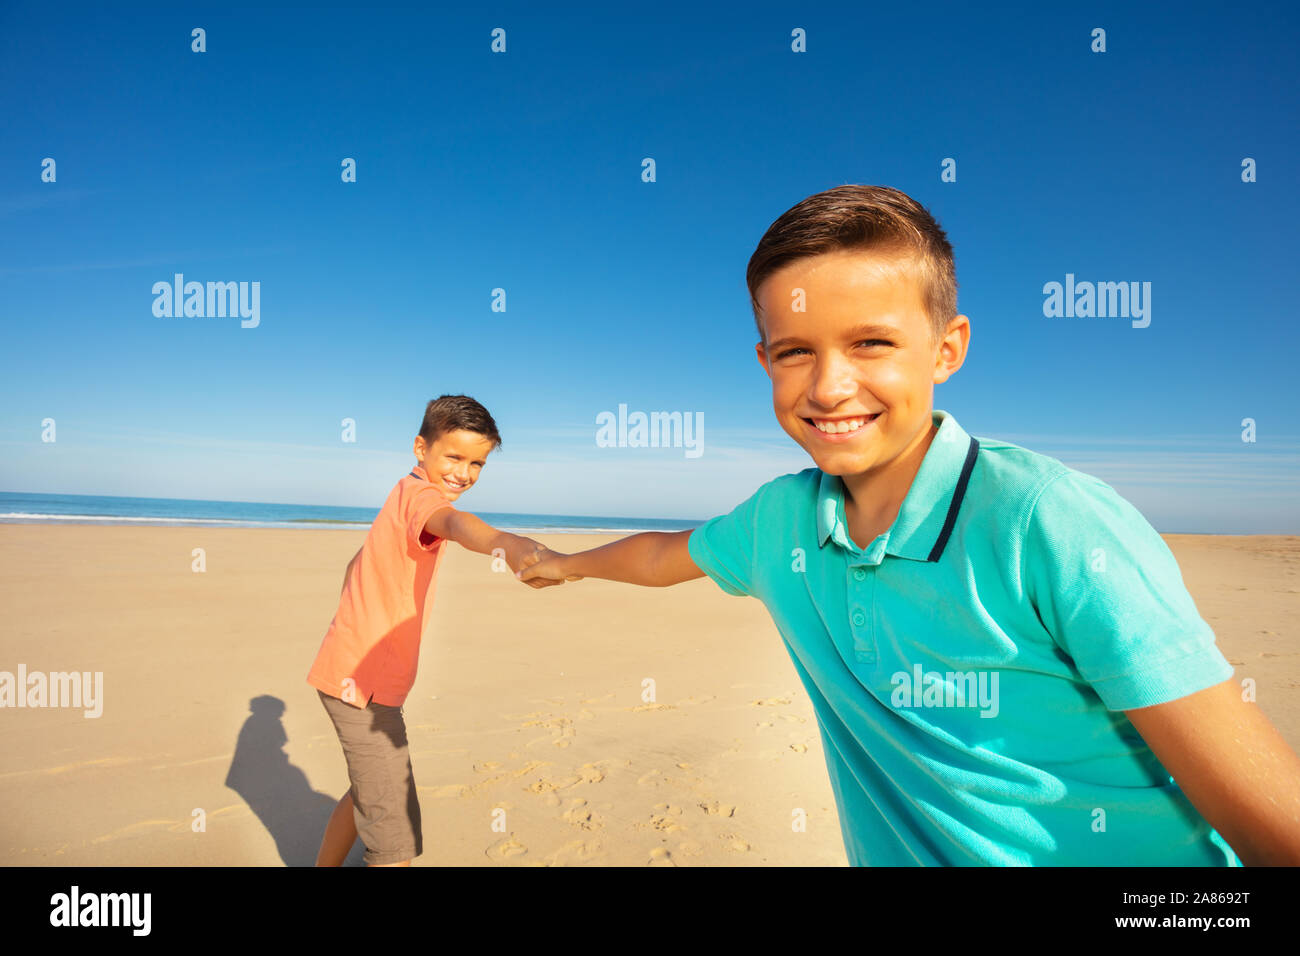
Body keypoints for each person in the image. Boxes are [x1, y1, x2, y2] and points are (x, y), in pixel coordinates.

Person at [519, 184, 1300, 865]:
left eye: (871, 343)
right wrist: (565, 563)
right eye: (796, 351)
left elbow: (1272, 824)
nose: (829, 385)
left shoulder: (1047, 522)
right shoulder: (779, 523)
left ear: (946, 349)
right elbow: (666, 554)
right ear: (764, 362)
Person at [309, 393, 564, 866]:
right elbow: (455, 523)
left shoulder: (402, 491)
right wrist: (504, 543)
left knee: (369, 793)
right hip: (362, 689)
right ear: (420, 448)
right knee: (394, 838)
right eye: (454, 456)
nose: (464, 473)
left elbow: (357, 564)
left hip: (350, 675)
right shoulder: (423, 499)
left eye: (477, 463)